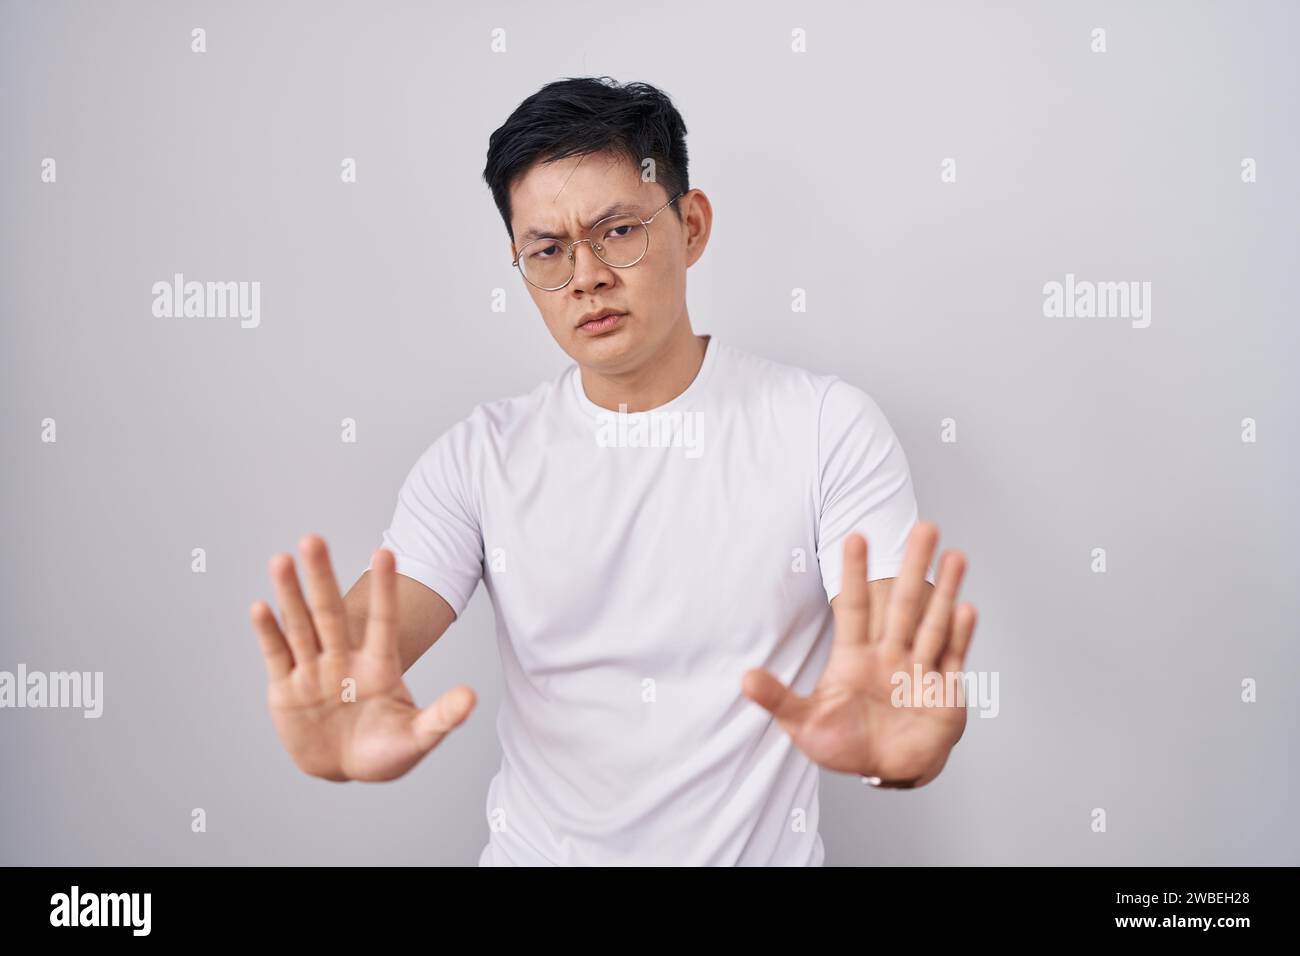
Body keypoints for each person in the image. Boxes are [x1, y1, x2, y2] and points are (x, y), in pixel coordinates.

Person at [248, 76, 978, 866]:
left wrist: (902, 750)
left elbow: (901, 675)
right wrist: (338, 704)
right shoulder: (477, 460)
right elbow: (363, 649)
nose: (586, 276)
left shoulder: (823, 427)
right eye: (548, 251)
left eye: (619, 230)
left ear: (691, 226)